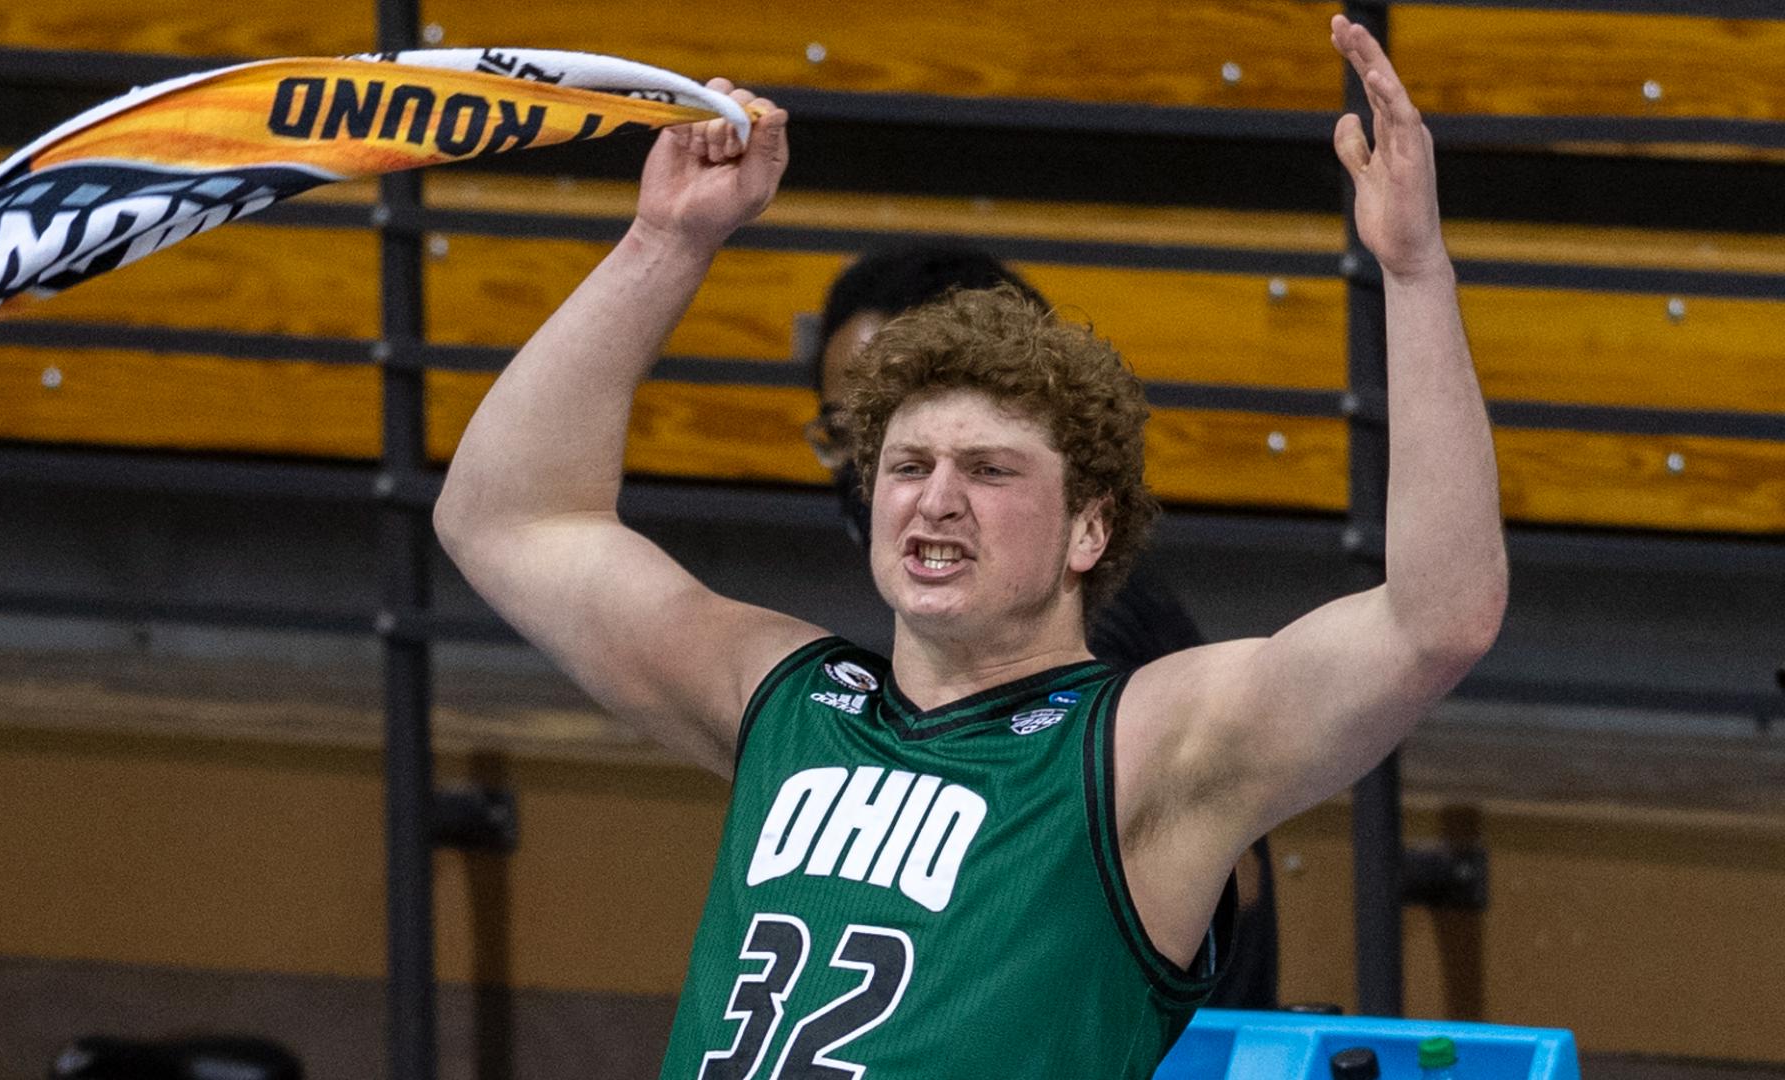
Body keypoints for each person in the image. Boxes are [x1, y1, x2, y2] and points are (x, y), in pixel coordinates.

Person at [434, 16, 1505, 1077]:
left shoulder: (1139, 747)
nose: (935, 501)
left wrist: (1414, 275)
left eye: (990, 471)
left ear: (1090, 527)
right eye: (907, 467)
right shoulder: (785, 699)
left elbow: (1434, 619)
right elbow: (507, 518)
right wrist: (665, 242)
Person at [802, 244, 1280, 1010]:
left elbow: (1227, 873)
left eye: (981, 464)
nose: (917, 497)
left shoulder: (1078, 629)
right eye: (867, 445)